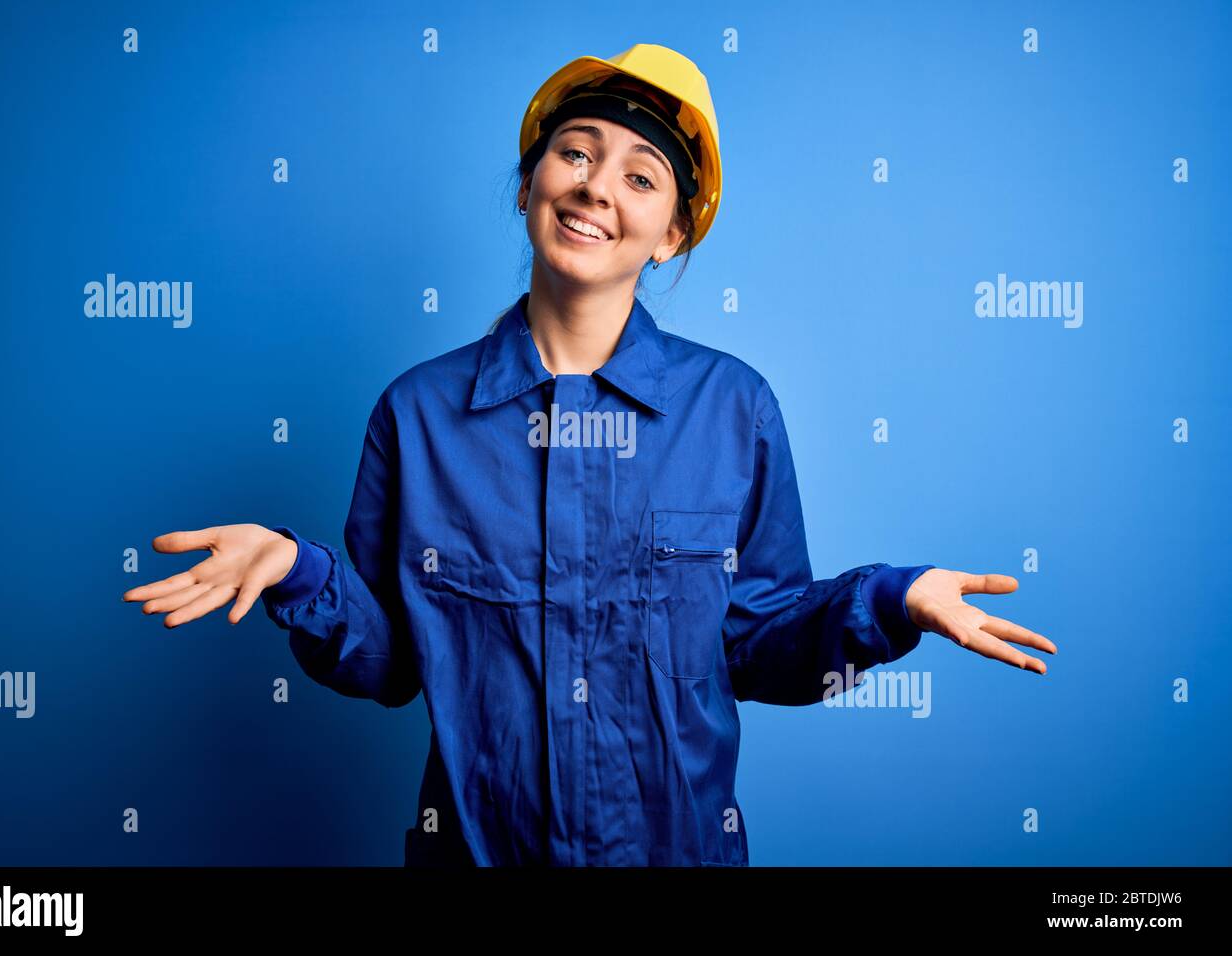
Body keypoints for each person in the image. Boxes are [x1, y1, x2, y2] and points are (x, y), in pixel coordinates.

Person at [122, 43, 1056, 866]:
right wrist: (296, 570)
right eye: (575, 153)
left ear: (673, 235)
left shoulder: (734, 409)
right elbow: (394, 661)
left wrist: (892, 599)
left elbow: (761, 646)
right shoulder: (417, 414)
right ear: (529, 183)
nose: (596, 187)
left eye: (641, 178)